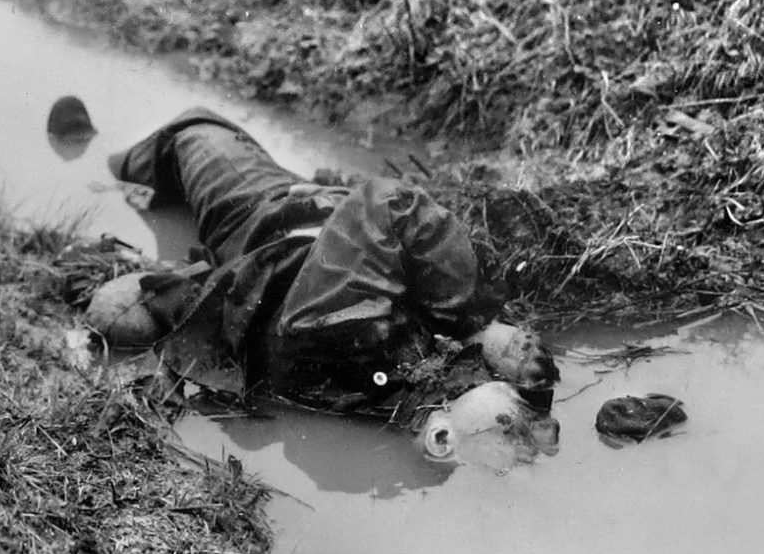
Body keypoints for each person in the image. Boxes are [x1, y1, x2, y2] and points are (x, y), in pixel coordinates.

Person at [93, 107, 559, 431]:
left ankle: (105, 156)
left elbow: (394, 203)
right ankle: (119, 160)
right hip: (295, 229)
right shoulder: (404, 384)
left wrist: (474, 320)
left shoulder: (348, 336)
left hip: (259, 222)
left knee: (193, 130)